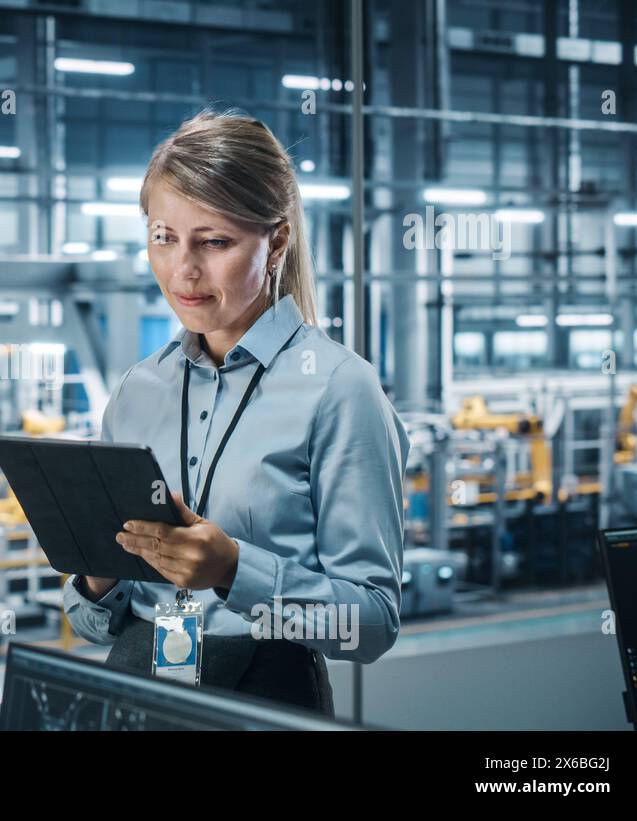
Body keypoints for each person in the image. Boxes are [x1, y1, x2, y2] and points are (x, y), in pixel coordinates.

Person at [63, 110, 410, 715]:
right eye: (163, 237)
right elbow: (93, 625)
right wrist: (98, 576)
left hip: (265, 700)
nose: (183, 271)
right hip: (140, 697)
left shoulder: (337, 389)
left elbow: (373, 624)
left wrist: (234, 571)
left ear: (276, 241)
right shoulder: (137, 390)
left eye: (213, 241)